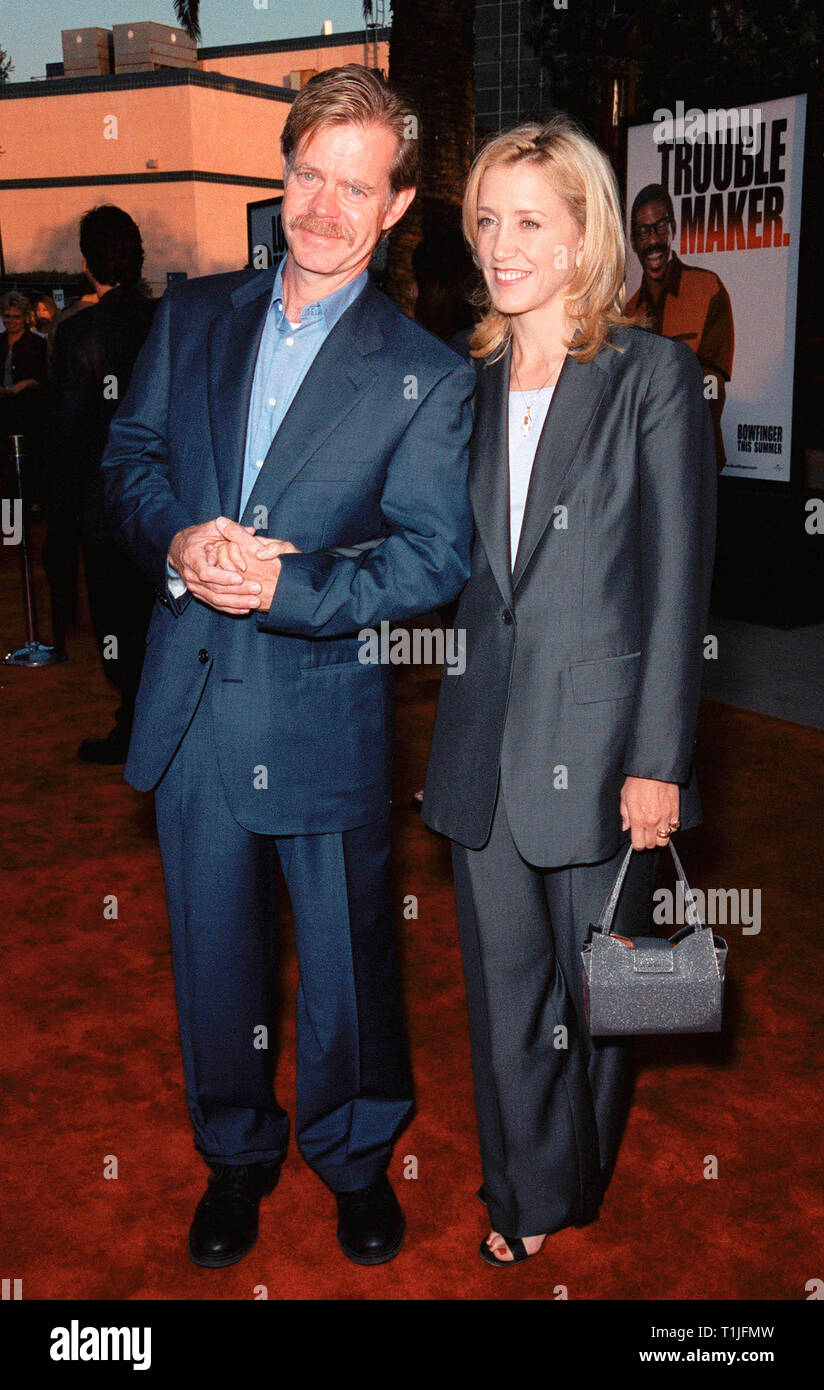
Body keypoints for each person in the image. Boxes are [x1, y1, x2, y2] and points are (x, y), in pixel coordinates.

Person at [102, 64, 474, 1269]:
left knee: (352, 964)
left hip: (322, 712)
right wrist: (173, 532)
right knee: (216, 960)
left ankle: (357, 1159)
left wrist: (290, 585)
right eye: (309, 173)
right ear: (283, 172)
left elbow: (430, 561)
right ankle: (236, 1156)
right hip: (196, 700)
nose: (324, 206)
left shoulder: (427, 372)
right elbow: (131, 452)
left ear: (396, 204)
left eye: (354, 186)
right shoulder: (195, 311)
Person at [422, 119, 716, 1265]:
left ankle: (573, 1168)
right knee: (504, 998)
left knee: (609, 993)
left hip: (603, 745)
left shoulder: (650, 375)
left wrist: (659, 762)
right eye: (486, 221)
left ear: (586, 230)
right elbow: (430, 554)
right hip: (479, 738)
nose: (500, 244)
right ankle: (523, 1193)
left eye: (527, 220)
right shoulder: (463, 376)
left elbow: (676, 587)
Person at [45, 206, 156, 752]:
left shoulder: (79, 335)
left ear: (86, 263)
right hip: (168, 503)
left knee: (116, 623)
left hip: (106, 507)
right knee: (160, 613)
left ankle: (136, 724)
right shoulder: (170, 320)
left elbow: (67, 433)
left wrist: (58, 514)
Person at [627, 183, 734, 471]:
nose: (653, 241)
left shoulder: (708, 288)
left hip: (698, 461)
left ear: (673, 230)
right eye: (643, 232)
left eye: (660, 228)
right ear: (634, 242)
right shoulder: (628, 313)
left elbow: (713, 385)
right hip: (644, 467)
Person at [0, 292, 49, 508]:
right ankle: (10, 508)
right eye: (7, 316)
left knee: (32, 456)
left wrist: (25, 383)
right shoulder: (0, 342)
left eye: (15, 316)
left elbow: (46, 379)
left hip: (29, 410)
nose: (10, 321)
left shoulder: (37, 343)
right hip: (3, 409)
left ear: (25, 317)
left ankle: (34, 502)